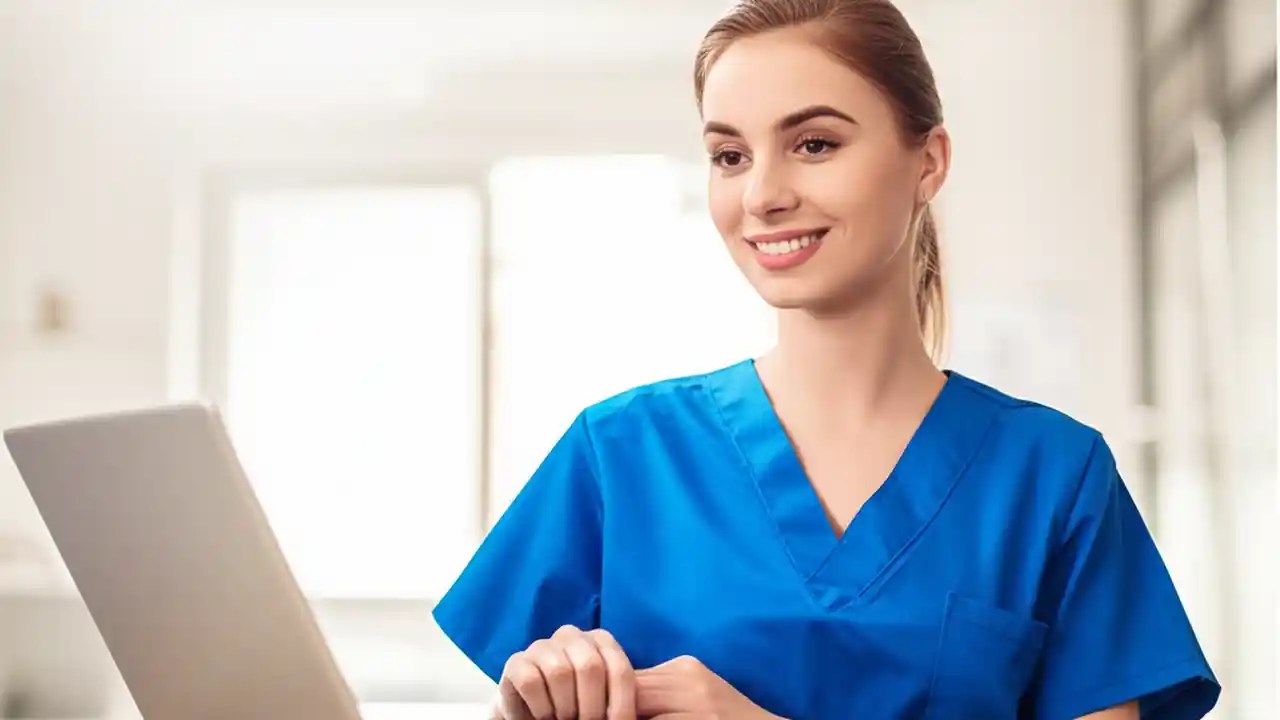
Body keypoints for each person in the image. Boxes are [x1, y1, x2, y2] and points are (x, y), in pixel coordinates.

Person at [432, 1, 1220, 718]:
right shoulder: (619, 456)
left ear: (929, 162)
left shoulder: (1052, 478)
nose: (762, 194)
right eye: (730, 156)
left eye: (814, 144)